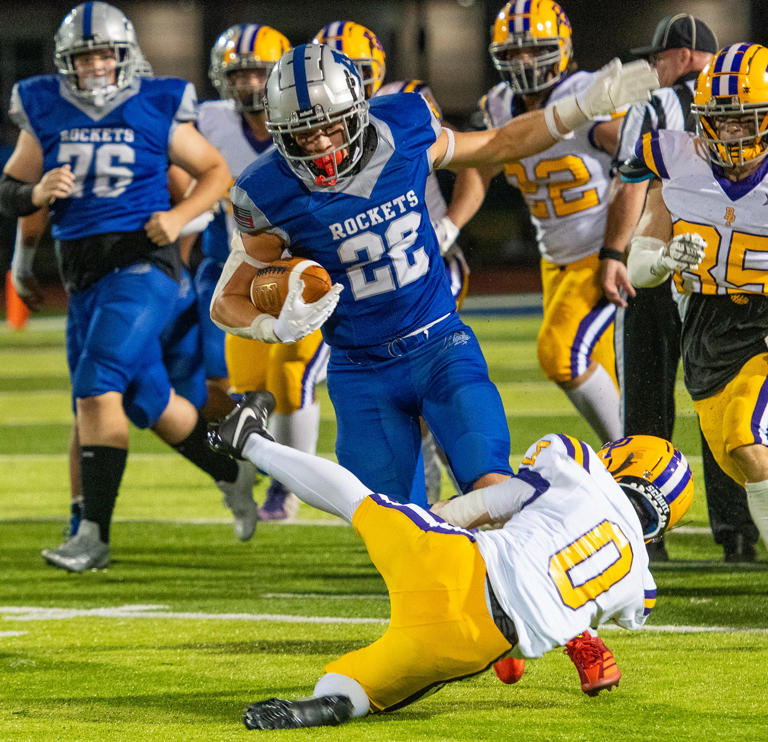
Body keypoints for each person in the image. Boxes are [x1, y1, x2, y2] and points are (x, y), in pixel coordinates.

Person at [209, 42, 658, 504]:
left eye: (330, 125)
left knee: (493, 492)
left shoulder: (401, 128)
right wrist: (271, 325)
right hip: (361, 370)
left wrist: (581, 107)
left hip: (440, 346)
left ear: (358, 111)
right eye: (303, 134)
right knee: (397, 521)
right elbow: (228, 298)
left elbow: (499, 144)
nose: (321, 143)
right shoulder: (267, 190)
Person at [207, 390, 693, 730]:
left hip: (456, 564)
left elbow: (499, 501)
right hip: (476, 642)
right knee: (371, 686)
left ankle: (249, 439)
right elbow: (598, 609)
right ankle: (325, 704)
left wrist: (437, 517)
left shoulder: (579, 466)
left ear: (621, 461)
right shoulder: (641, 586)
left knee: (357, 501)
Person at [0, 2, 256, 572]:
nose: (92, 67)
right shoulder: (45, 104)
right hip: (82, 275)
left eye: (101, 54)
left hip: (146, 267)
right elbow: (12, 191)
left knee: (97, 385)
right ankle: (231, 470)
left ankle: (92, 534)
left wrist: (181, 214)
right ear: (66, 62)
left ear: (125, 57)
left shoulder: (157, 102)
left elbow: (216, 172)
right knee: (145, 401)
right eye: (82, 57)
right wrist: (32, 219)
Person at [601, 14, 757, 563]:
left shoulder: (657, 114)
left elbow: (628, 182)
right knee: (722, 413)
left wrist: (613, 255)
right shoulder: (682, 137)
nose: (656, 66)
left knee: (651, 402)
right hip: (710, 288)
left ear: (680, 55)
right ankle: (735, 531)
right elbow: (645, 187)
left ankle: (650, 525)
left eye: (659, 57)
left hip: (695, 282)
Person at [443, 0, 626, 445]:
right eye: (513, 53)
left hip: (597, 252)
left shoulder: (588, 95)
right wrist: (449, 226)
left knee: (560, 353)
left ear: (562, 48)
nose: (524, 61)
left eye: (535, 49)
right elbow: (480, 170)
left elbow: (639, 166)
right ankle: (632, 458)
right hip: (554, 259)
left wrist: (620, 248)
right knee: (601, 373)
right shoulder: (499, 104)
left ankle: (628, 456)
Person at [312, 20, 470, 502]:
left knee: (427, 373)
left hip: (421, 258)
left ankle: (449, 465)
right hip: (359, 270)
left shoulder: (407, 104)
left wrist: (450, 226)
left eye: (356, 71)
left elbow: (473, 164)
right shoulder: (316, 131)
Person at [198, 23, 329, 521]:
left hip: (298, 270)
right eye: (238, 74)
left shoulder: (307, 122)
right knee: (246, 385)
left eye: (257, 73)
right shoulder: (209, 121)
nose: (248, 84)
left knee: (292, 378)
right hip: (240, 273)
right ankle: (258, 474)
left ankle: (289, 487)